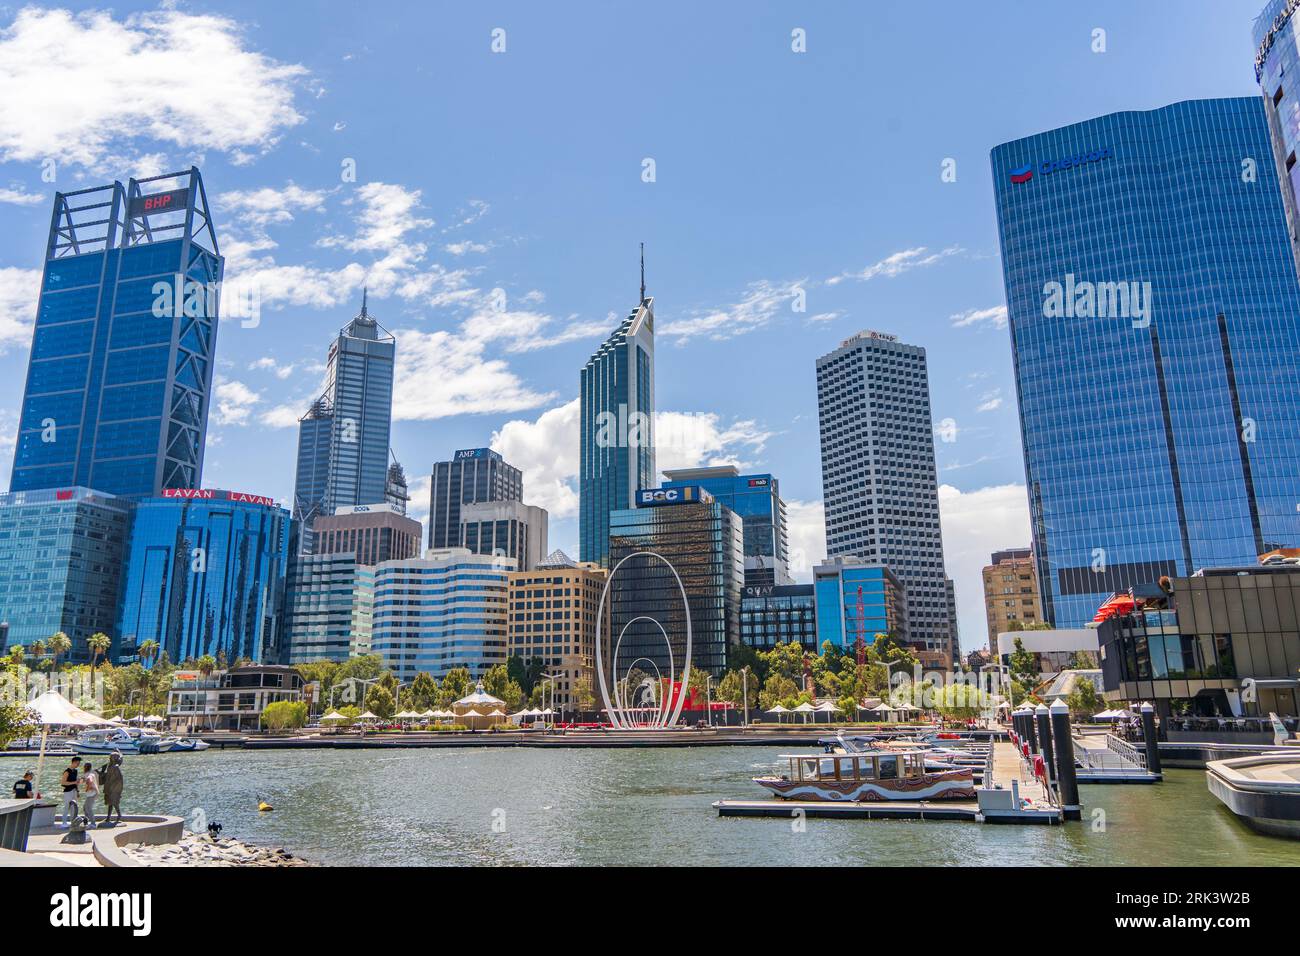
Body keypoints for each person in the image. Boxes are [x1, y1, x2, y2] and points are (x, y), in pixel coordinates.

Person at [59, 757, 80, 827]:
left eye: (79, 764)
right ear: (73, 762)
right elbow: (63, 783)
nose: (78, 765)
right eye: (77, 763)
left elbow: (76, 782)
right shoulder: (67, 771)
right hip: (68, 791)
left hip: (74, 791)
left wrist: (78, 791)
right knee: (67, 806)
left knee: (74, 807)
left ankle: (73, 822)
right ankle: (63, 823)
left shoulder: (75, 771)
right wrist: (74, 782)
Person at [80, 761, 99, 826]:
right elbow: (84, 780)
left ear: (85, 767)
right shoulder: (91, 774)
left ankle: (93, 823)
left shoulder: (88, 775)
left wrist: (87, 789)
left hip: (91, 794)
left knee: (88, 808)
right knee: (85, 808)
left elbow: (89, 781)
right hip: (93, 793)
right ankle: (86, 822)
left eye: (84, 767)